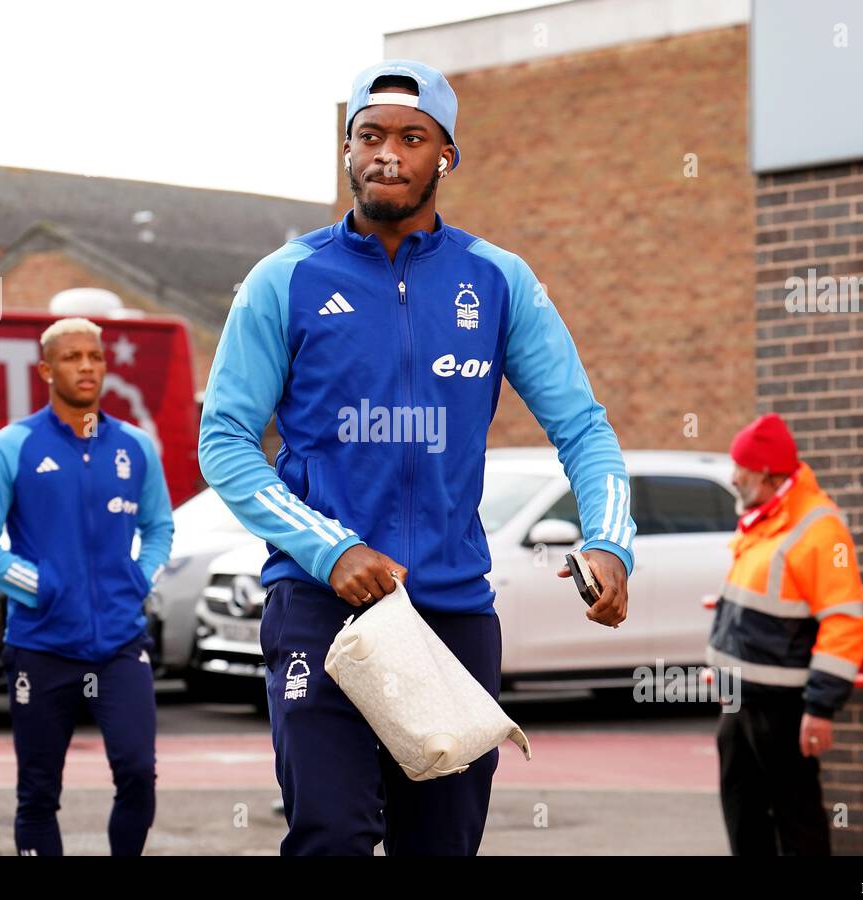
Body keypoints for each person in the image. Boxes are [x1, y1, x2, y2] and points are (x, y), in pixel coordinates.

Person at [198, 60, 636, 855]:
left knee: (438, 846)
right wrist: (330, 550)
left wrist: (608, 539)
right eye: (370, 136)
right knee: (331, 834)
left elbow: (583, 428)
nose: (387, 154)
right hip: (319, 607)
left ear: (446, 155)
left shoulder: (498, 281)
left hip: (451, 614)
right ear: (347, 152)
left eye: (411, 137)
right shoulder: (284, 280)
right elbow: (224, 442)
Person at [0, 316, 173, 856]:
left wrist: (136, 578)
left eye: (95, 357)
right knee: (37, 793)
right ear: (45, 369)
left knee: (137, 773)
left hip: (120, 646)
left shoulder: (136, 447)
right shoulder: (11, 448)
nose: (86, 367)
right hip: (41, 646)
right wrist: (42, 587)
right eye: (72, 357)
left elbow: (160, 528)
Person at [708, 413, 863, 855]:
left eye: (740, 466)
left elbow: (845, 622)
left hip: (783, 706)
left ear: (764, 473)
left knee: (797, 818)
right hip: (741, 700)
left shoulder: (820, 529)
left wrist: (820, 708)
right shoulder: (764, 518)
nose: (734, 475)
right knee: (743, 812)